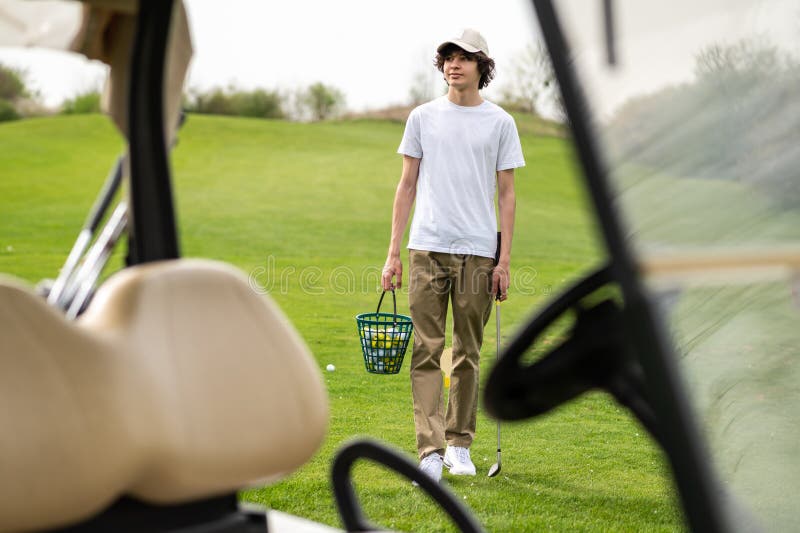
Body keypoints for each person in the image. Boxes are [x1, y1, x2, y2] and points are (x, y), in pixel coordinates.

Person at [381, 28, 525, 482]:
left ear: (483, 66)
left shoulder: (501, 123)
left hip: (479, 253)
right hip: (426, 246)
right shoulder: (422, 117)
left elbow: (507, 195)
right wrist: (393, 254)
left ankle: (460, 444)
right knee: (427, 350)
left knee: (467, 352)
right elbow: (406, 186)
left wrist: (503, 261)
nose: (453, 64)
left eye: (464, 57)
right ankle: (430, 450)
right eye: (447, 57)